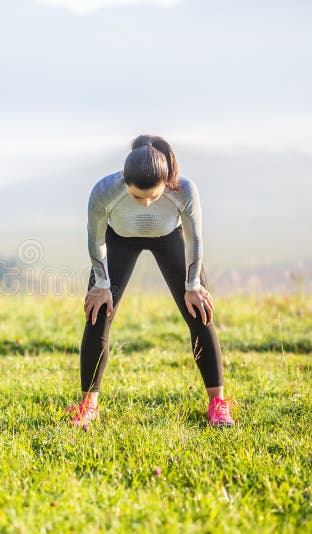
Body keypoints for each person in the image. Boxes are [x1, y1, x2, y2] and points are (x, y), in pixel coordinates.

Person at [67, 134, 235, 429]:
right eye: (136, 197)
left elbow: (194, 238)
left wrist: (193, 284)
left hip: (168, 239)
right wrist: (101, 284)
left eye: (153, 198)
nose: (146, 205)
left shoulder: (184, 190)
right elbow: (95, 238)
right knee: (97, 313)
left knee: (199, 311)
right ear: (123, 180)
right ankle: (88, 406)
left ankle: (217, 404)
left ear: (167, 182)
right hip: (119, 240)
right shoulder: (105, 191)